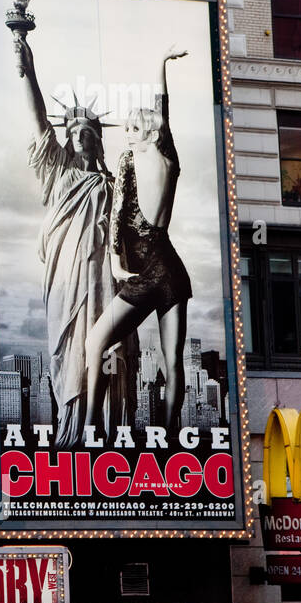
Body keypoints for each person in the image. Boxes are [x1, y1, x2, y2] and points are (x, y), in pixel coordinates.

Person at [15, 22, 136, 449]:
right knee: (69, 346)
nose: (80, 136)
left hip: (104, 274)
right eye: (73, 132)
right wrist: (25, 59)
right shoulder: (59, 173)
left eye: (88, 132)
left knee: (102, 347)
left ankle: (94, 427)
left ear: (98, 140)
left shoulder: (113, 185)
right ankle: (69, 427)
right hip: (66, 276)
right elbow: (37, 122)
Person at [84, 49, 192, 435]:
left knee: (95, 340)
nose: (126, 132)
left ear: (146, 131)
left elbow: (116, 214)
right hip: (174, 272)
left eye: (132, 126)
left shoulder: (130, 158)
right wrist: (160, 63)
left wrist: (114, 260)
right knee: (174, 362)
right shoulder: (169, 158)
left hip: (146, 272)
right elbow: (165, 105)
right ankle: (171, 436)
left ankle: (90, 427)